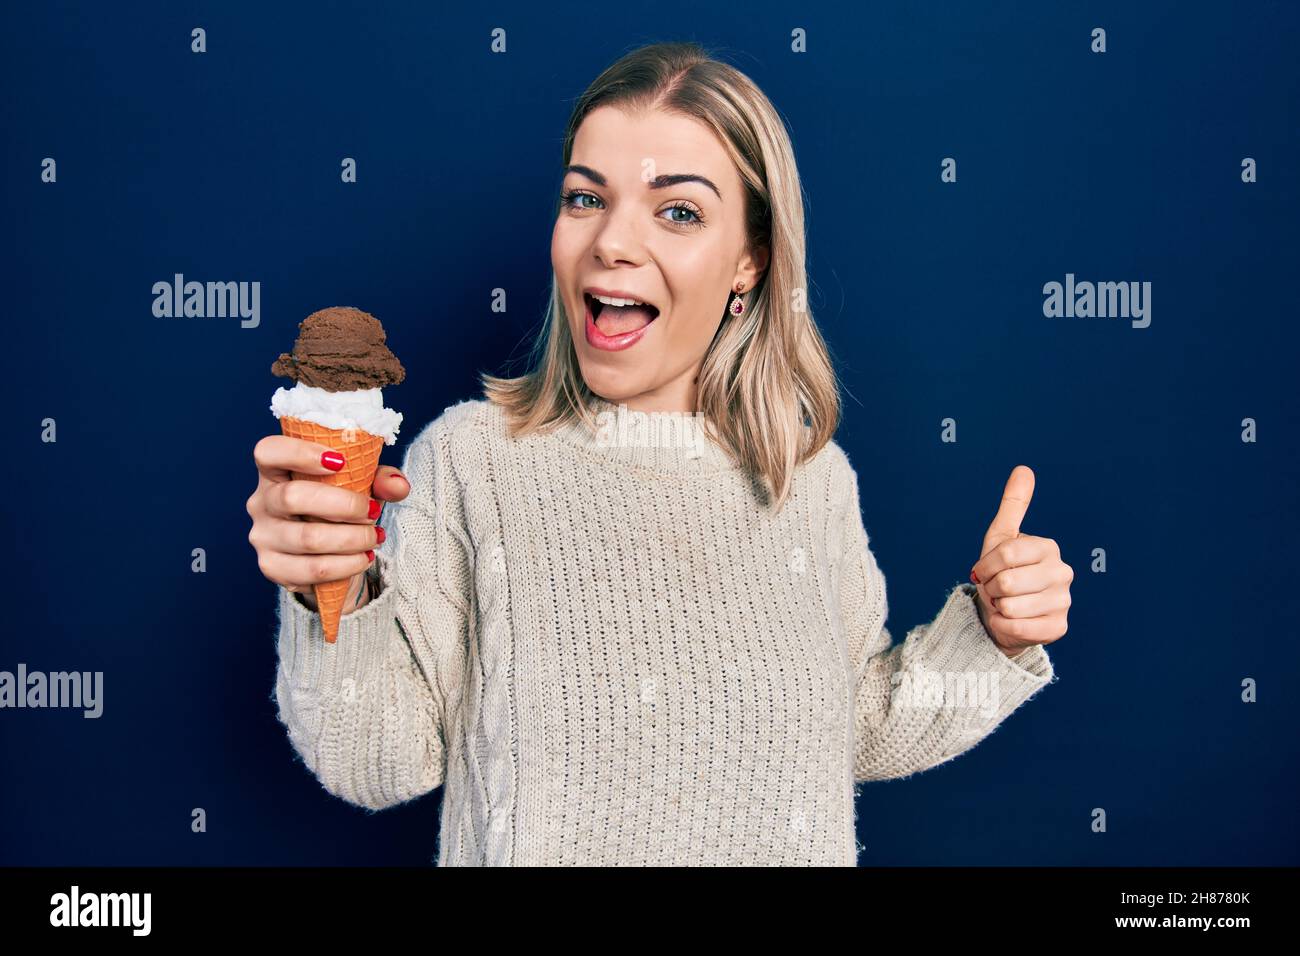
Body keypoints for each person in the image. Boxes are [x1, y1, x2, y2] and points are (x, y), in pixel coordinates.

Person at [245, 41, 1072, 866]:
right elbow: (373, 763)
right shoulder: (473, 461)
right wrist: (331, 585)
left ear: (750, 259)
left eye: (678, 211)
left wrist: (991, 638)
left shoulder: (811, 482)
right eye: (584, 199)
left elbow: (856, 727)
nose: (611, 242)